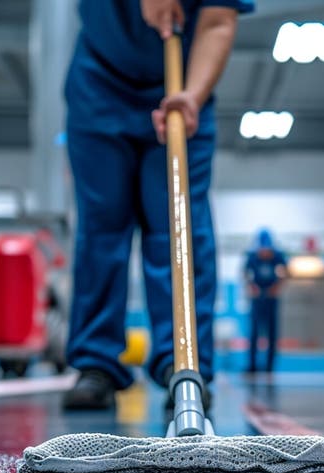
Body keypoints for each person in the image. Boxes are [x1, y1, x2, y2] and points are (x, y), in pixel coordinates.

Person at [63, 0, 254, 411]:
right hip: (99, 80)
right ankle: (96, 363)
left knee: (179, 224)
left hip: (180, 89)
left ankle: (183, 363)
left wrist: (192, 97)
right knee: (102, 226)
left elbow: (219, 21)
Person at [244, 228, 287, 374]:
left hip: (271, 299)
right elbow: (245, 273)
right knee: (254, 332)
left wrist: (276, 287)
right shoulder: (252, 257)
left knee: (272, 332)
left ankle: (269, 367)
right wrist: (252, 287)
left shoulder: (278, 256)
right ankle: (252, 366)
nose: (265, 254)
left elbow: (285, 272)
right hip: (257, 300)